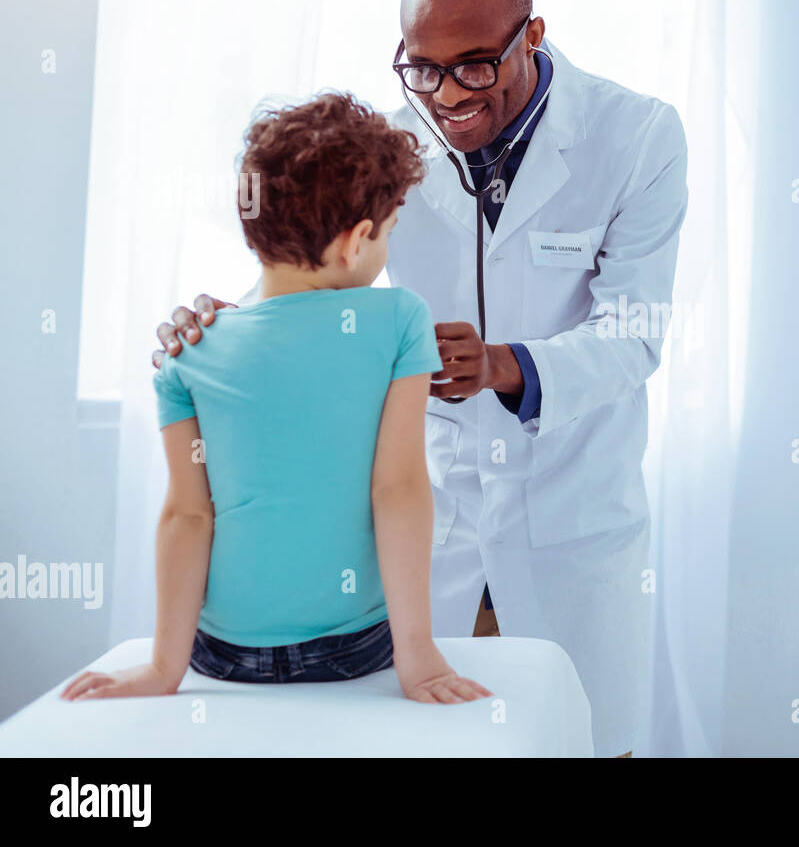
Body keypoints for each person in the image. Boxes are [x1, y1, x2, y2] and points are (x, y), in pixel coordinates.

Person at [153, 0, 687, 756]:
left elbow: (635, 331)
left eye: (474, 66)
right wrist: (220, 323)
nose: (445, 95)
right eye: (422, 68)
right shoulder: (393, 148)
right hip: (436, 533)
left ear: (531, 36)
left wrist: (504, 365)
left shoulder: (638, 137)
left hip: (573, 527)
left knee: (591, 742)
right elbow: (308, 272)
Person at [64, 92, 490, 704]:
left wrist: (164, 668)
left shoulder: (189, 351)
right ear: (358, 239)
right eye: (389, 232)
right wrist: (417, 659)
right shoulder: (399, 320)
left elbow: (188, 516)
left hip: (223, 658)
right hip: (353, 649)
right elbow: (397, 489)